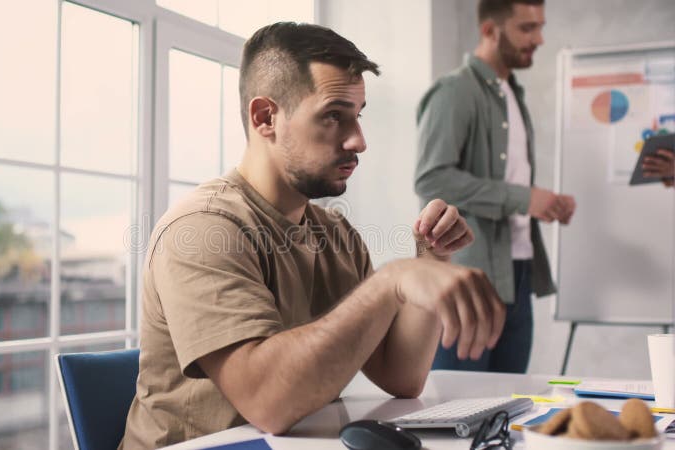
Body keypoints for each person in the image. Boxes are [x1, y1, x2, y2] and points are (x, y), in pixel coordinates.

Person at [120, 22, 506, 449]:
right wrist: (391, 281)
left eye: (357, 116)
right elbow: (269, 404)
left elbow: (401, 377)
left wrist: (429, 260)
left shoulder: (335, 233)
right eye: (333, 116)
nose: (358, 140)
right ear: (265, 117)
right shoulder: (202, 230)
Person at [414, 0, 576, 374]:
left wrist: (543, 203)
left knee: (507, 408)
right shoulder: (454, 92)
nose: (539, 38)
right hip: (473, 283)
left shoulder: (512, 96)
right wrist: (523, 198)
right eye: (527, 28)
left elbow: (509, 185)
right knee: (456, 416)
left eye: (540, 26)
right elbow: (430, 179)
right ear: (489, 30)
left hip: (518, 275)